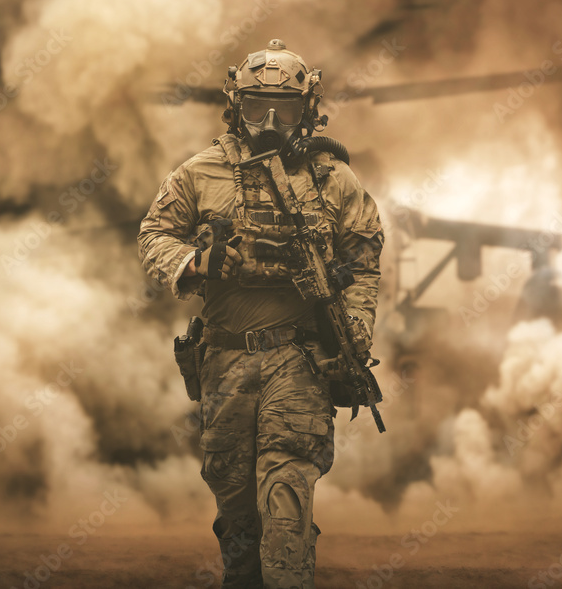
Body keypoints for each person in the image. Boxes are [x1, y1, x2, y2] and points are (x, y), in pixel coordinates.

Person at [138, 38, 383, 588]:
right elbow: (154, 235)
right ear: (234, 105)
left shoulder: (334, 181)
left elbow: (364, 262)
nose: (269, 121)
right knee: (237, 509)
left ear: (309, 110)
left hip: (298, 361)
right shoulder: (199, 174)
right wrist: (198, 262)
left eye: (285, 110)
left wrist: (355, 332)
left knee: (285, 496)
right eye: (254, 107)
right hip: (224, 359)